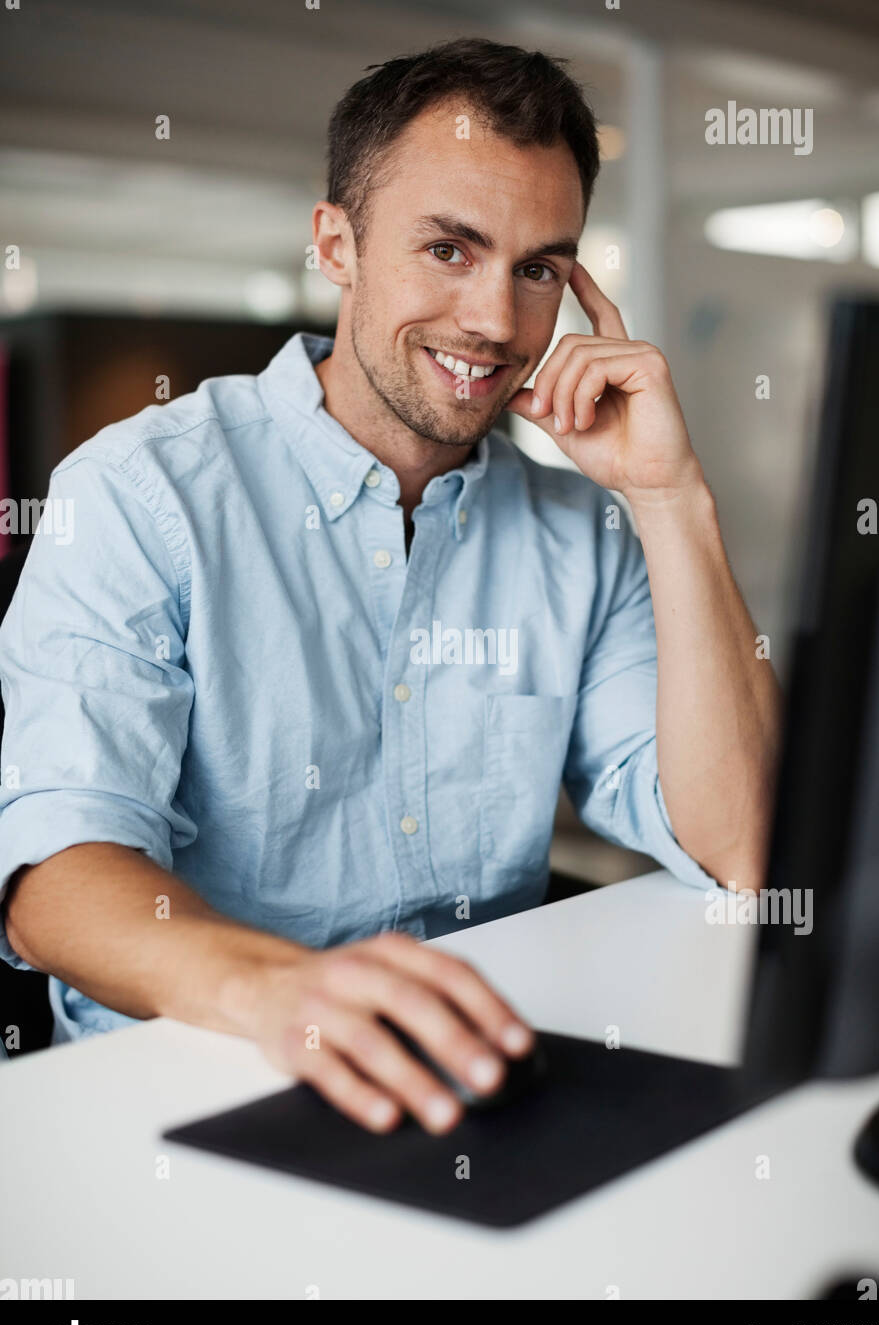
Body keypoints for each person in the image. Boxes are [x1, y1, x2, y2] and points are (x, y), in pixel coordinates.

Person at [0, 38, 780, 1130]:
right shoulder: (142, 493)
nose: (496, 323)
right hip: (191, 1095)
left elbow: (739, 849)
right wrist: (289, 991)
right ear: (338, 244)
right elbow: (57, 885)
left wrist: (670, 498)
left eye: (537, 267)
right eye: (449, 250)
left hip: (466, 1080)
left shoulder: (580, 532)